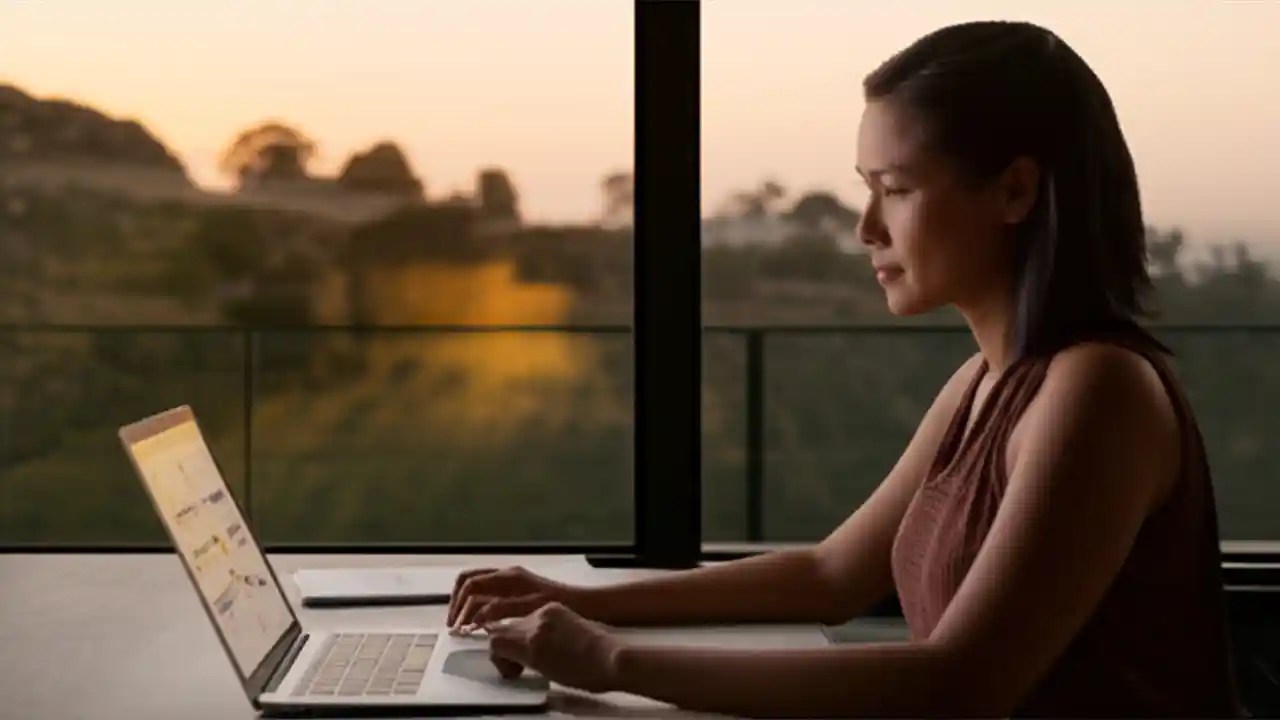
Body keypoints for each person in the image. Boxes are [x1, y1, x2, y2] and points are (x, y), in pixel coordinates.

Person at [447, 20, 1245, 718]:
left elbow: (960, 687)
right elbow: (830, 575)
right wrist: (580, 602)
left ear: (1014, 189)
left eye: (894, 190)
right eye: (867, 191)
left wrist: (608, 658)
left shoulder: (1097, 391)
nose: (865, 228)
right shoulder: (983, 382)